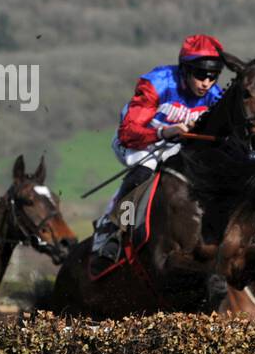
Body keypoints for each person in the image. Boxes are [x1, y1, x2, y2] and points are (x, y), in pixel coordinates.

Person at [90, 34, 227, 268]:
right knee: (145, 168)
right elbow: (129, 132)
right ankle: (112, 228)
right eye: (200, 75)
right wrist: (164, 133)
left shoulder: (215, 97)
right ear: (185, 70)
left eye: (212, 77)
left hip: (175, 144)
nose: (206, 83)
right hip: (137, 141)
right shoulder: (157, 83)